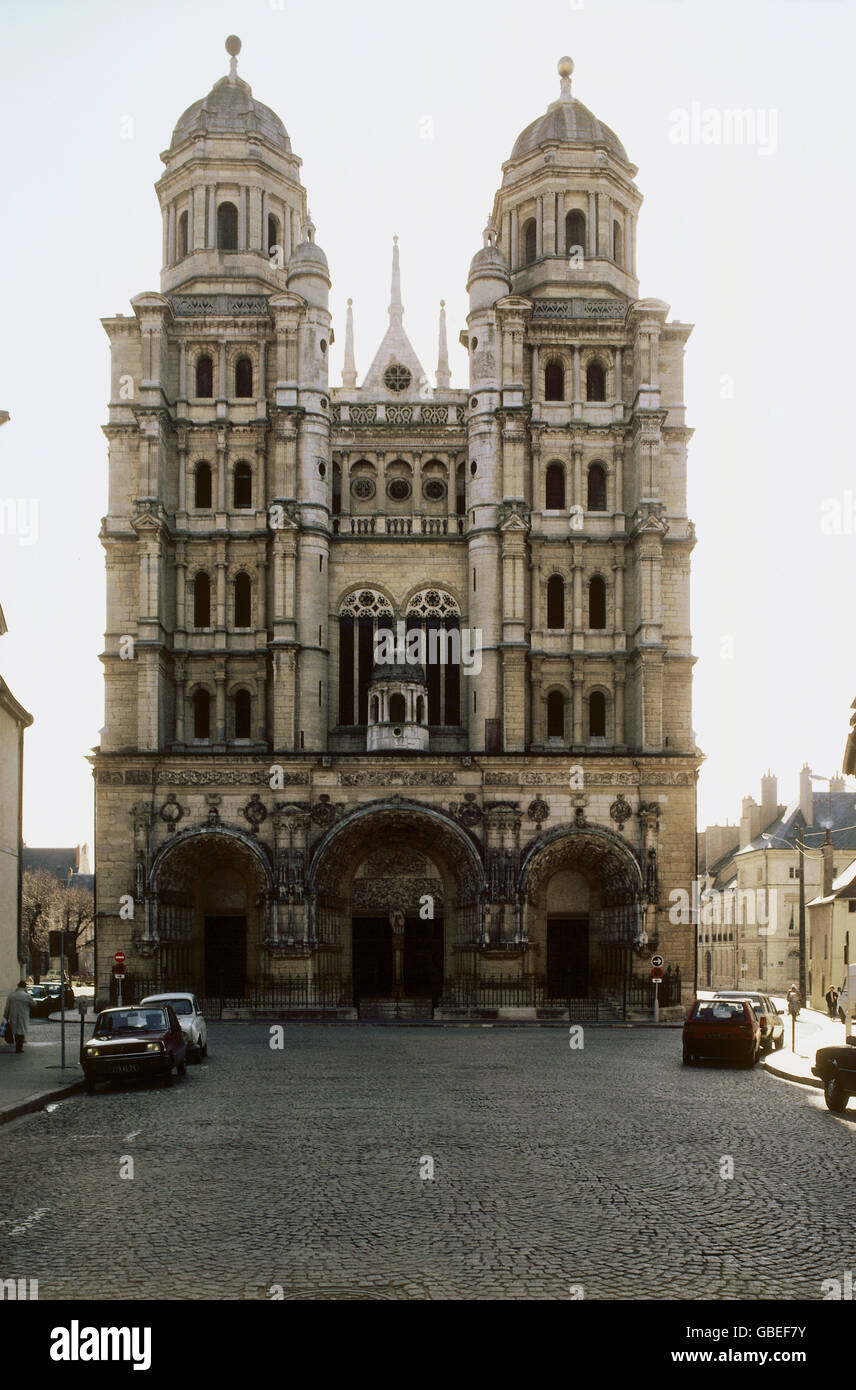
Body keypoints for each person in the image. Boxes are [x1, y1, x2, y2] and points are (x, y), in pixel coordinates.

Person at [3, 981, 31, 1053]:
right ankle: (19, 1048)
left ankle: (17, 1047)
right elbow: (34, 1004)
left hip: (13, 1016)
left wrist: (5, 1016)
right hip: (23, 1016)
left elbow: (7, 1008)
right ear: (24, 987)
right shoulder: (26, 995)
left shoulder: (11, 995)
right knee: (21, 1031)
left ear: (18, 986)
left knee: (15, 1031)